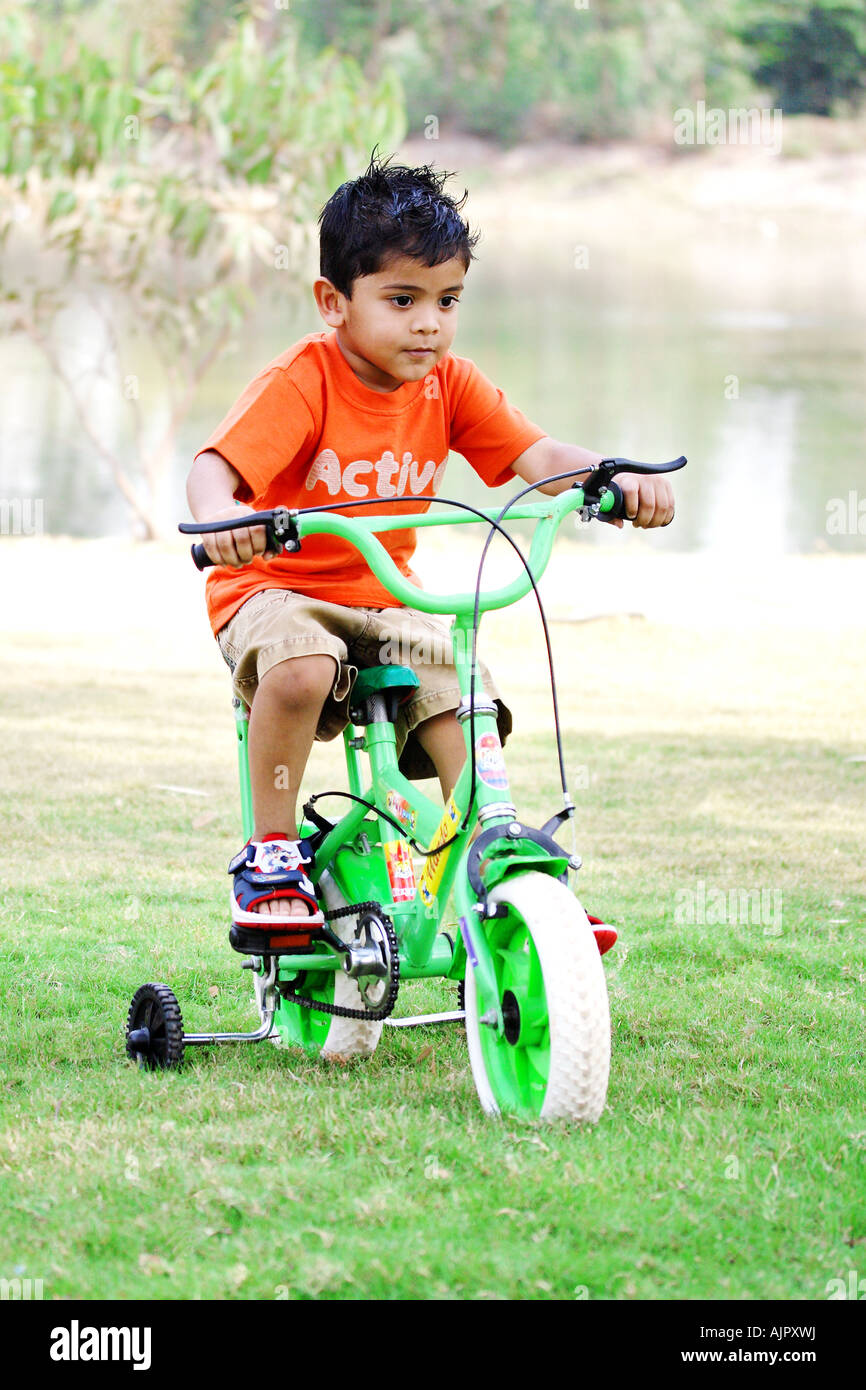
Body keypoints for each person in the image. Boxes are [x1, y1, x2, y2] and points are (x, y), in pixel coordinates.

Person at [186, 153, 674, 942]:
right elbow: (213, 469)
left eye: (448, 300)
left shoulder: (452, 385)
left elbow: (540, 458)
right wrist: (223, 520)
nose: (429, 323)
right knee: (303, 666)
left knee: (460, 688)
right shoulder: (303, 380)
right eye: (403, 299)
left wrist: (613, 479)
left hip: (382, 594)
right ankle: (270, 852)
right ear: (333, 301)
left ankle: (496, 858)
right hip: (274, 590)